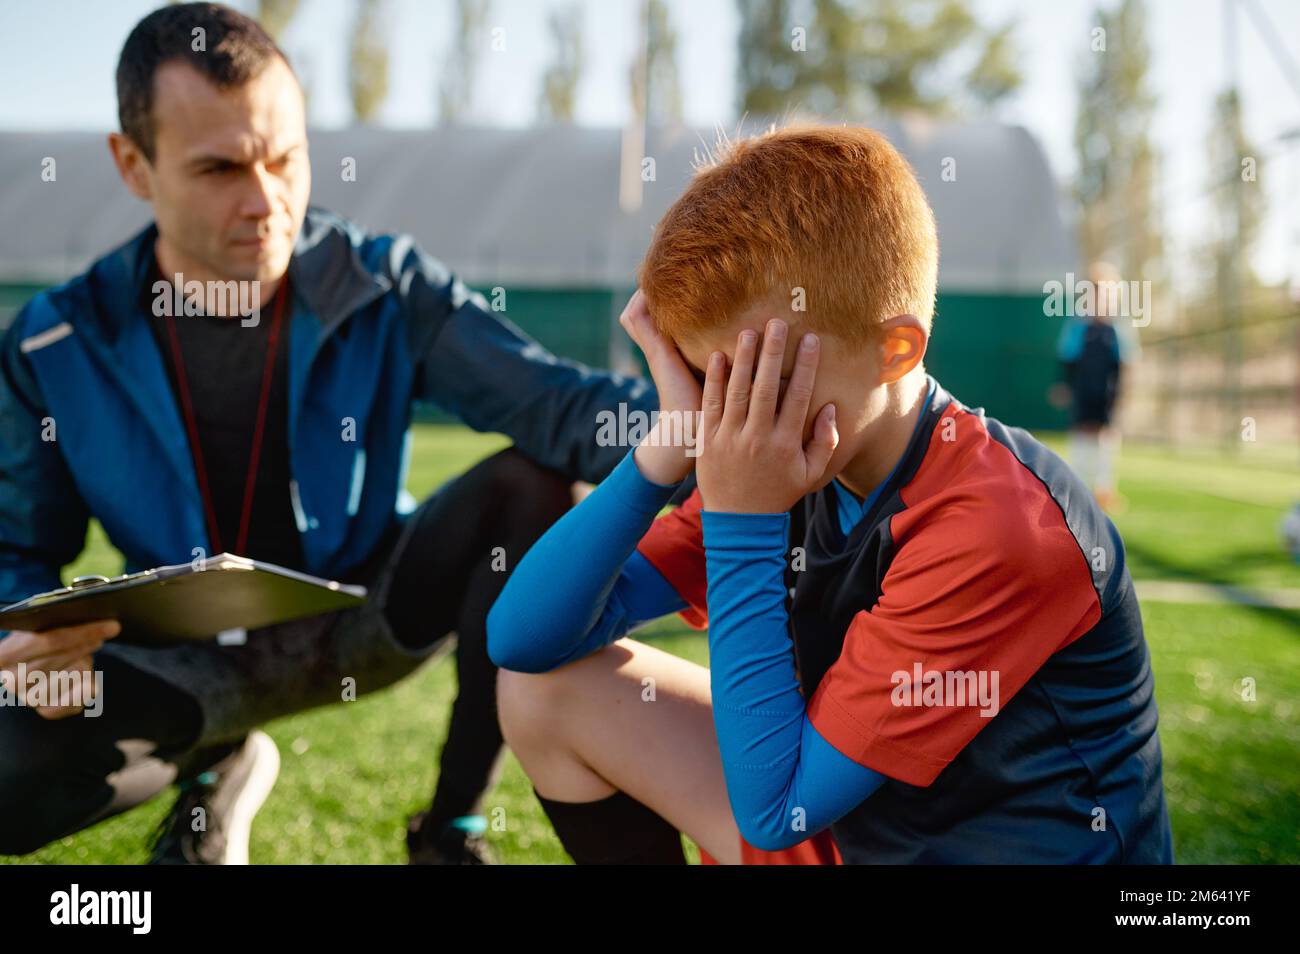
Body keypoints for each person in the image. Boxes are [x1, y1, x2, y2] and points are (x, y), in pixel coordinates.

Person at [0, 2, 653, 865]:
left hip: (368, 613)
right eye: (221, 168)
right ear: (133, 164)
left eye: (284, 158)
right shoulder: (56, 342)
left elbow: (557, 407)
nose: (266, 200)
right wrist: (26, 644)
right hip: (184, 658)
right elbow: (16, 549)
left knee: (531, 487)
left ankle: (450, 829)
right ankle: (215, 770)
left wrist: (717, 422)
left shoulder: (380, 282)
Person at [487, 124, 1174, 865]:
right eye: (712, 384)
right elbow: (522, 640)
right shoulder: (789, 453)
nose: (734, 422)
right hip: (853, 833)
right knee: (543, 693)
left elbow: (780, 812)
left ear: (895, 349)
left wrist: (741, 522)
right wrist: (662, 451)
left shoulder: (1001, 524)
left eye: (762, 381)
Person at [1056, 261, 1136, 512]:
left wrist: (1123, 393)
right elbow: (1067, 360)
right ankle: (1078, 487)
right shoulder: (1077, 327)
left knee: (1105, 438)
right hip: (1083, 390)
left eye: (1106, 293)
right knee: (1082, 434)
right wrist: (1063, 386)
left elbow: (1126, 362)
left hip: (1107, 392)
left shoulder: (1118, 329)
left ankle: (1104, 489)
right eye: (1095, 292)